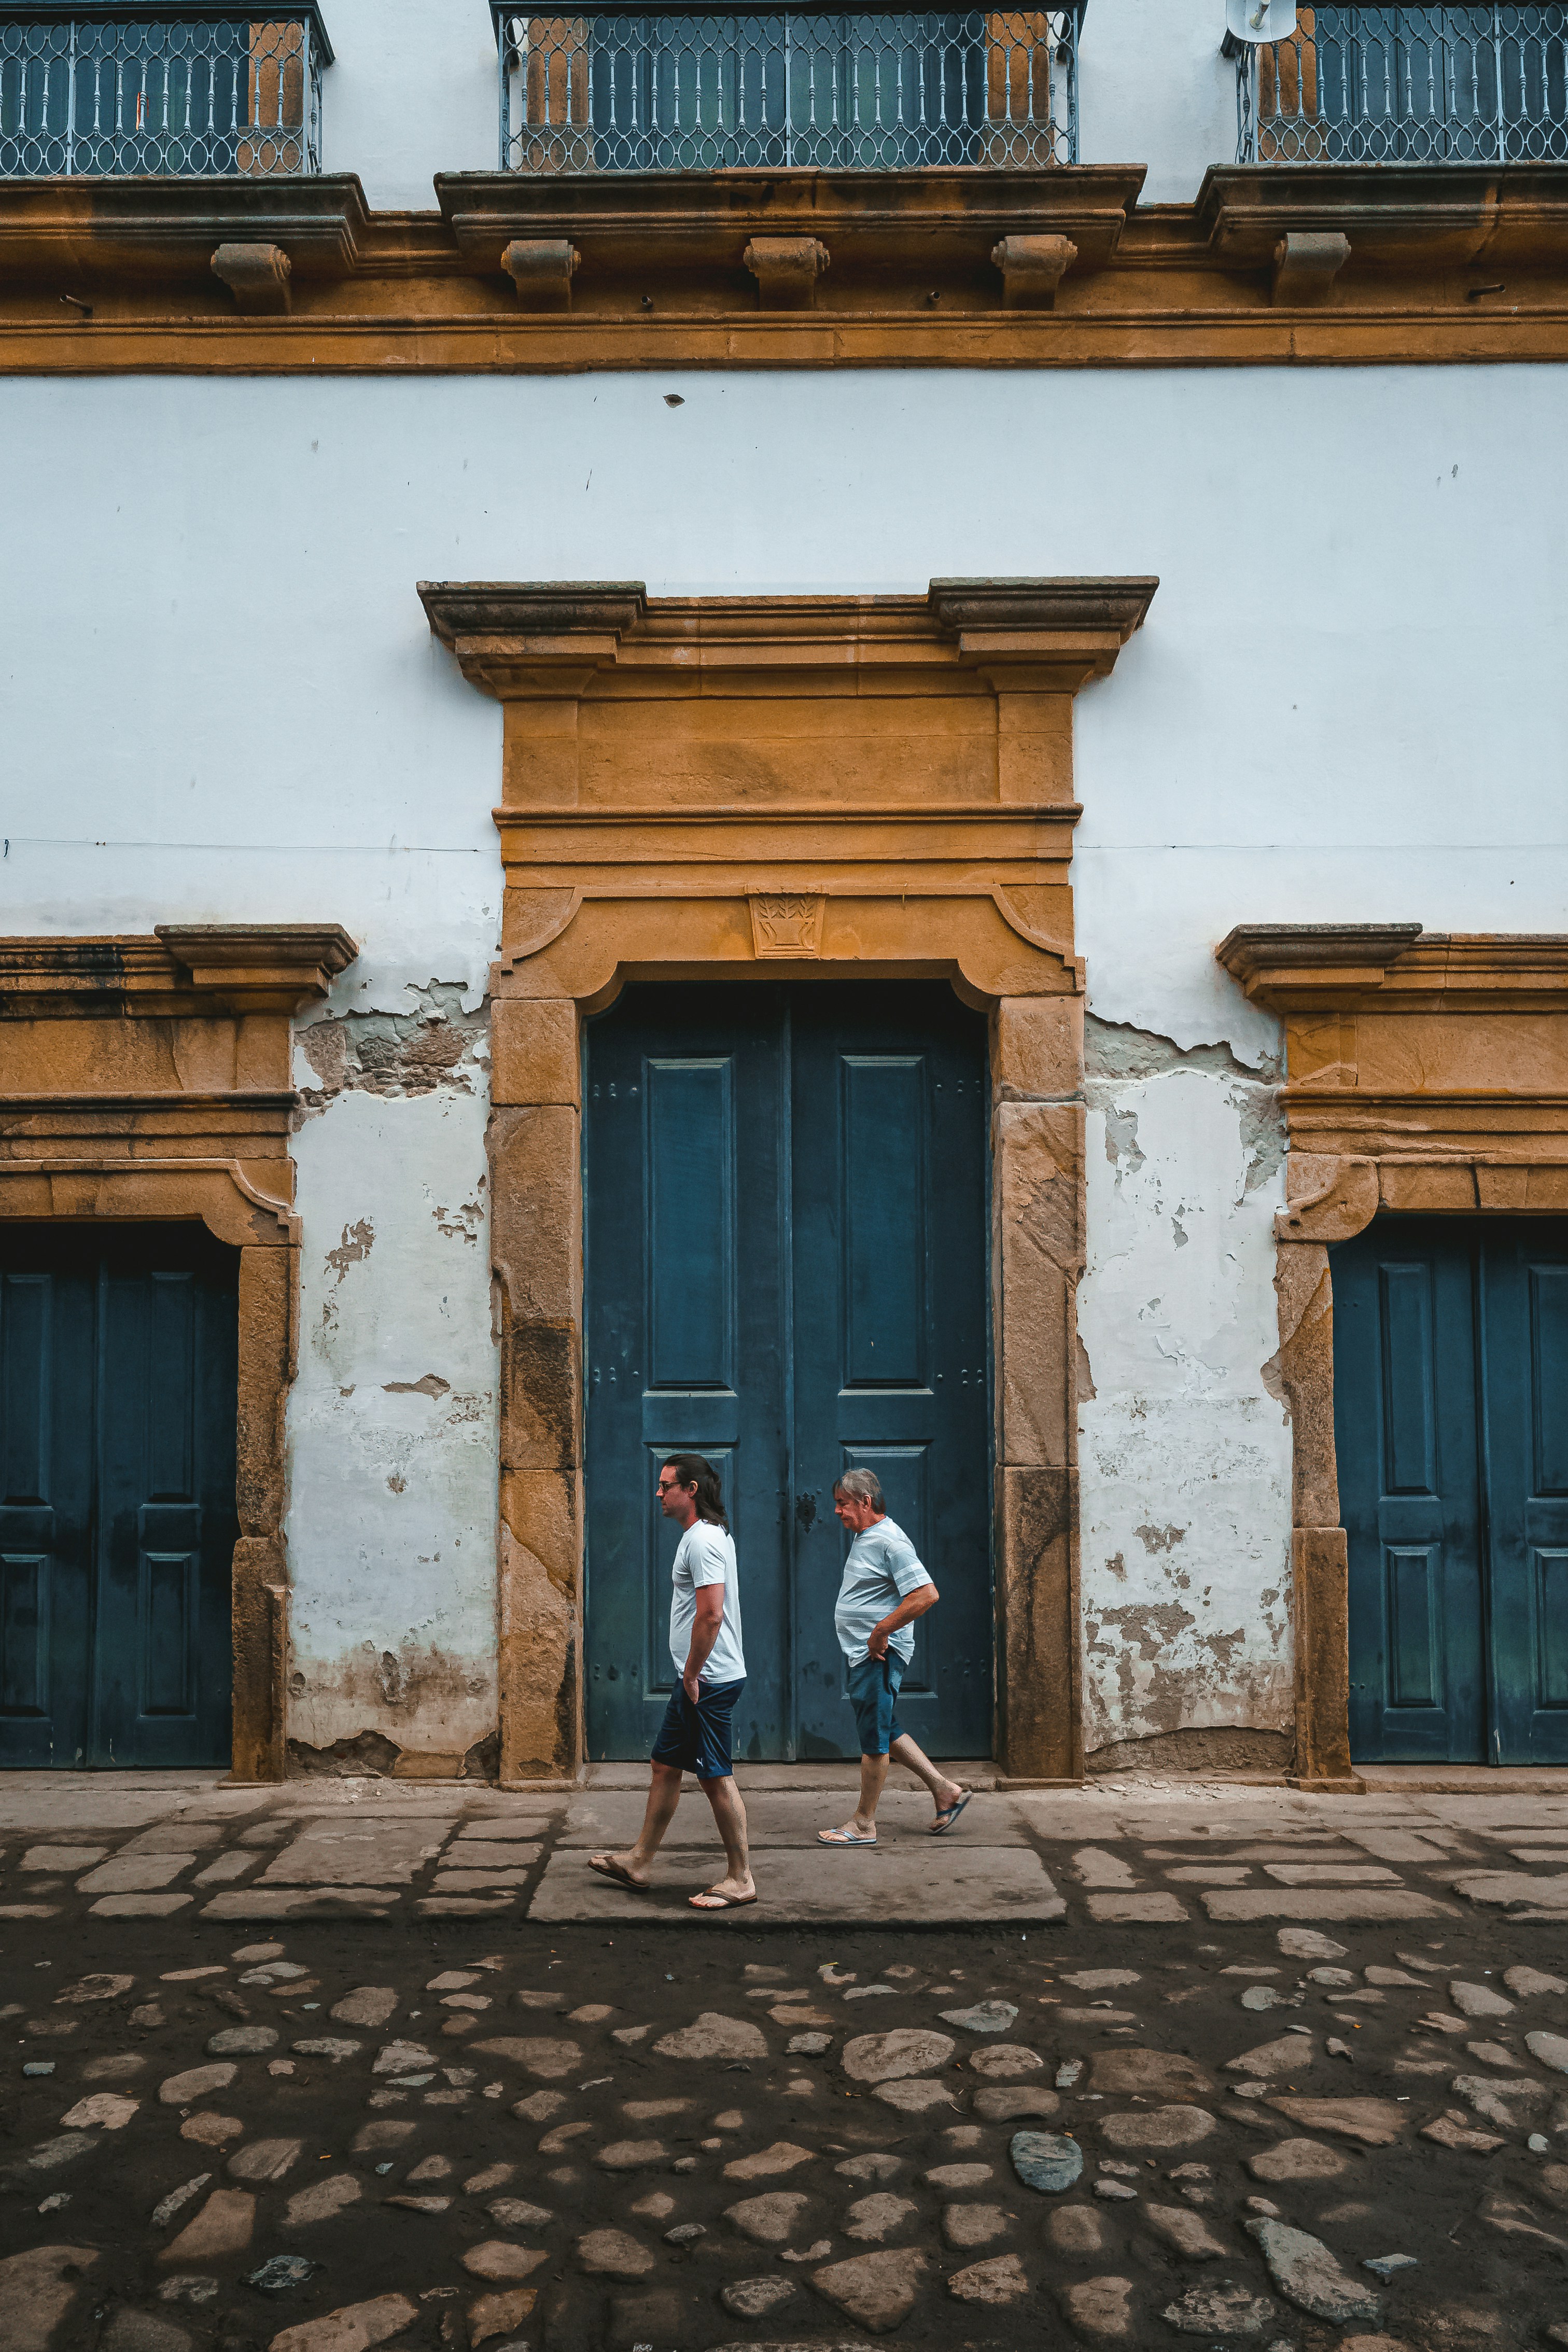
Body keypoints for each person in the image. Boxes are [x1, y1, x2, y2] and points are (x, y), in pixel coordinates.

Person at [588, 1451, 757, 1911]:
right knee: (665, 1766)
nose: (658, 1494)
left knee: (715, 1778)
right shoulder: (704, 1536)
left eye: (666, 1486)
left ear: (691, 1490)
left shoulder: (703, 1541)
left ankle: (741, 1878)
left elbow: (711, 1613)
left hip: (710, 1680)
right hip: (700, 1679)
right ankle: (639, 1862)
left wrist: (692, 1670)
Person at [817, 1466, 971, 1845]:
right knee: (885, 1727)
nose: (837, 1511)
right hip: (865, 1655)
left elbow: (926, 1594)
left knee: (874, 1741)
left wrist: (881, 1631)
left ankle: (864, 1824)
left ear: (865, 1502)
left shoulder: (890, 1542)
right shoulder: (867, 1537)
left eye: (842, 1504)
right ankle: (944, 1790)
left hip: (879, 1657)